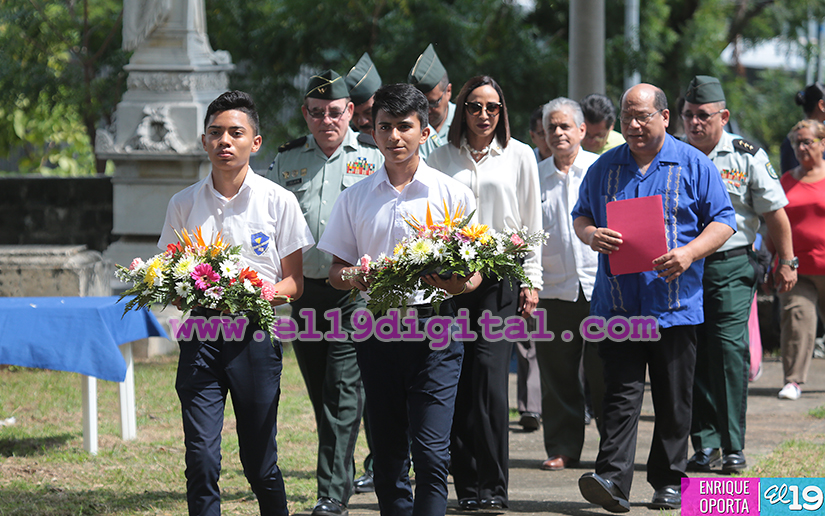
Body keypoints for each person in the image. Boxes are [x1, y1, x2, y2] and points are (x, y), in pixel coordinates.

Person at [572, 83, 736, 512]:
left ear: (665, 117)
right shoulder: (605, 167)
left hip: (675, 307)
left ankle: (668, 482)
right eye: (627, 116)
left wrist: (689, 252)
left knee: (672, 399)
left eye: (643, 115)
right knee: (619, 397)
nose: (633, 124)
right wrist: (592, 235)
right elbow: (581, 215)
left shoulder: (694, 164)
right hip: (618, 306)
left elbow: (723, 221)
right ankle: (611, 480)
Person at [317, 82, 479, 516]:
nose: (394, 137)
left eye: (404, 127)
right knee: (388, 455)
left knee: (430, 453)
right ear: (372, 132)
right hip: (378, 328)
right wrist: (359, 275)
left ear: (424, 132)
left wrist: (454, 283)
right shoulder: (355, 198)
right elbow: (335, 273)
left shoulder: (453, 194)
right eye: (385, 127)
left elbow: (476, 273)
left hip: (437, 328)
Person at [158, 90, 313, 516]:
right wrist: (184, 287)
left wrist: (257, 292)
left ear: (255, 142)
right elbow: (168, 279)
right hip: (202, 334)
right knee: (202, 460)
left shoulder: (278, 201)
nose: (225, 141)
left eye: (236, 132)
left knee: (260, 464)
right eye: (216, 133)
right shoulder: (183, 204)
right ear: (204, 141)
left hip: (255, 335)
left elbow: (294, 283)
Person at [266, 70, 384, 516]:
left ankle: (330, 495)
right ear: (306, 115)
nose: (326, 121)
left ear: (351, 112)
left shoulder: (372, 157)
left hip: (355, 292)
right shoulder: (288, 159)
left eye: (335, 112)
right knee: (322, 393)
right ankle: (342, 467)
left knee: (341, 389)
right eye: (317, 113)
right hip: (305, 293)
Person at [427, 75, 542, 510]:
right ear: (462, 110)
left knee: (491, 383)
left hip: (500, 280)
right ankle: (468, 489)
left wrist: (532, 280)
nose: (483, 115)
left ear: (503, 112)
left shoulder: (520, 156)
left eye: (492, 107)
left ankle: (493, 490)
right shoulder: (439, 157)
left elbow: (531, 221)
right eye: (475, 106)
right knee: (454, 380)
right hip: (451, 280)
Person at [681, 75, 796, 474]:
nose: (695, 123)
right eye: (688, 115)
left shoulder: (745, 154)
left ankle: (732, 446)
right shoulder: (673, 154)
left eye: (703, 115)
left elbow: (774, 213)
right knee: (691, 352)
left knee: (728, 351)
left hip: (730, 264)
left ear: (723, 116)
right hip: (682, 266)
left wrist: (788, 261)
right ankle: (704, 443)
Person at [535, 97, 603, 472]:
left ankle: (613, 447)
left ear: (582, 130)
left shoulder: (600, 169)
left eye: (565, 126)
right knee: (557, 374)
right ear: (544, 135)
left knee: (605, 372)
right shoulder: (533, 175)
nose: (558, 133)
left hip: (600, 287)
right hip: (552, 290)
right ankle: (563, 445)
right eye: (552, 128)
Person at [777, 120, 825, 400]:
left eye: (808, 141)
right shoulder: (785, 181)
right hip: (796, 268)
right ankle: (793, 381)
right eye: (797, 142)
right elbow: (774, 222)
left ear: (823, 144)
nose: (802, 147)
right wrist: (772, 258)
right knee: (796, 319)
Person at [408, 43, 455, 143]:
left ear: (448, 91)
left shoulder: (467, 123)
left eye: (433, 103)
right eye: (420, 105)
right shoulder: (408, 127)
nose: (426, 111)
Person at [780, 83, 825, 174]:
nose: (801, 147)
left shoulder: (792, 139)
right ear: (822, 105)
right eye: (807, 142)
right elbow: (791, 181)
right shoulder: (793, 141)